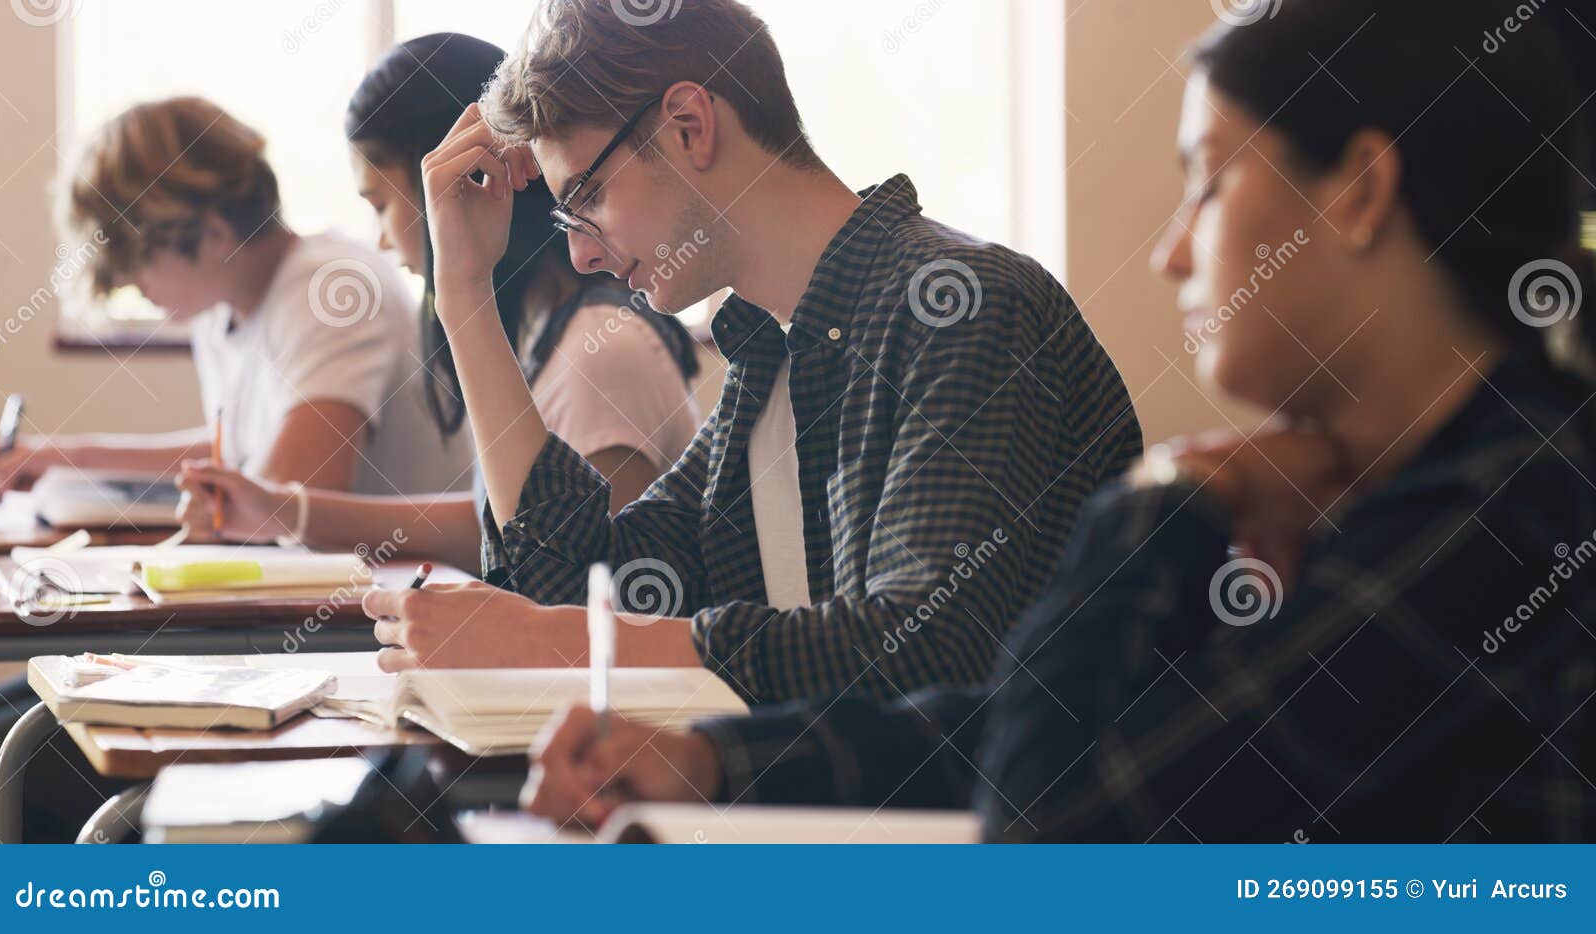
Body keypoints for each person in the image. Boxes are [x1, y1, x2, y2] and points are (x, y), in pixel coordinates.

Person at [520, 0, 1596, 842]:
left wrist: (1168, 494)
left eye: (1207, 184)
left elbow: (1054, 823)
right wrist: (712, 764)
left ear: (1359, 190)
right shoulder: (1385, 490)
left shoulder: (1505, 519)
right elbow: (1054, 731)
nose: (1173, 251)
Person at [361, 0, 1142, 697]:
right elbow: (595, 584)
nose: (582, 258)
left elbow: (926, 648)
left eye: (586, 199)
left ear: (689, 127)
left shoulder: (962, 309)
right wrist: (463, 288)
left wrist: (556, 642)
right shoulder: (771, 355)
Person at [174, 34, 703, 570]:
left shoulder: (599, 352)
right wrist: (286, 511)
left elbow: (573, 582)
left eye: (380, 204)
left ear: (467, 181)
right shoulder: (547, 335)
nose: (380, 240)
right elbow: (504, 525)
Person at [0, 96, 470, 499]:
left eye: (136, 259)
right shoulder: (223, 309)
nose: (127, 283)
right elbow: (241, 455)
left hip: (416, 587)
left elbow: (288, 499)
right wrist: (58, 458)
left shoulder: (330, 289)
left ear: (213, 233)